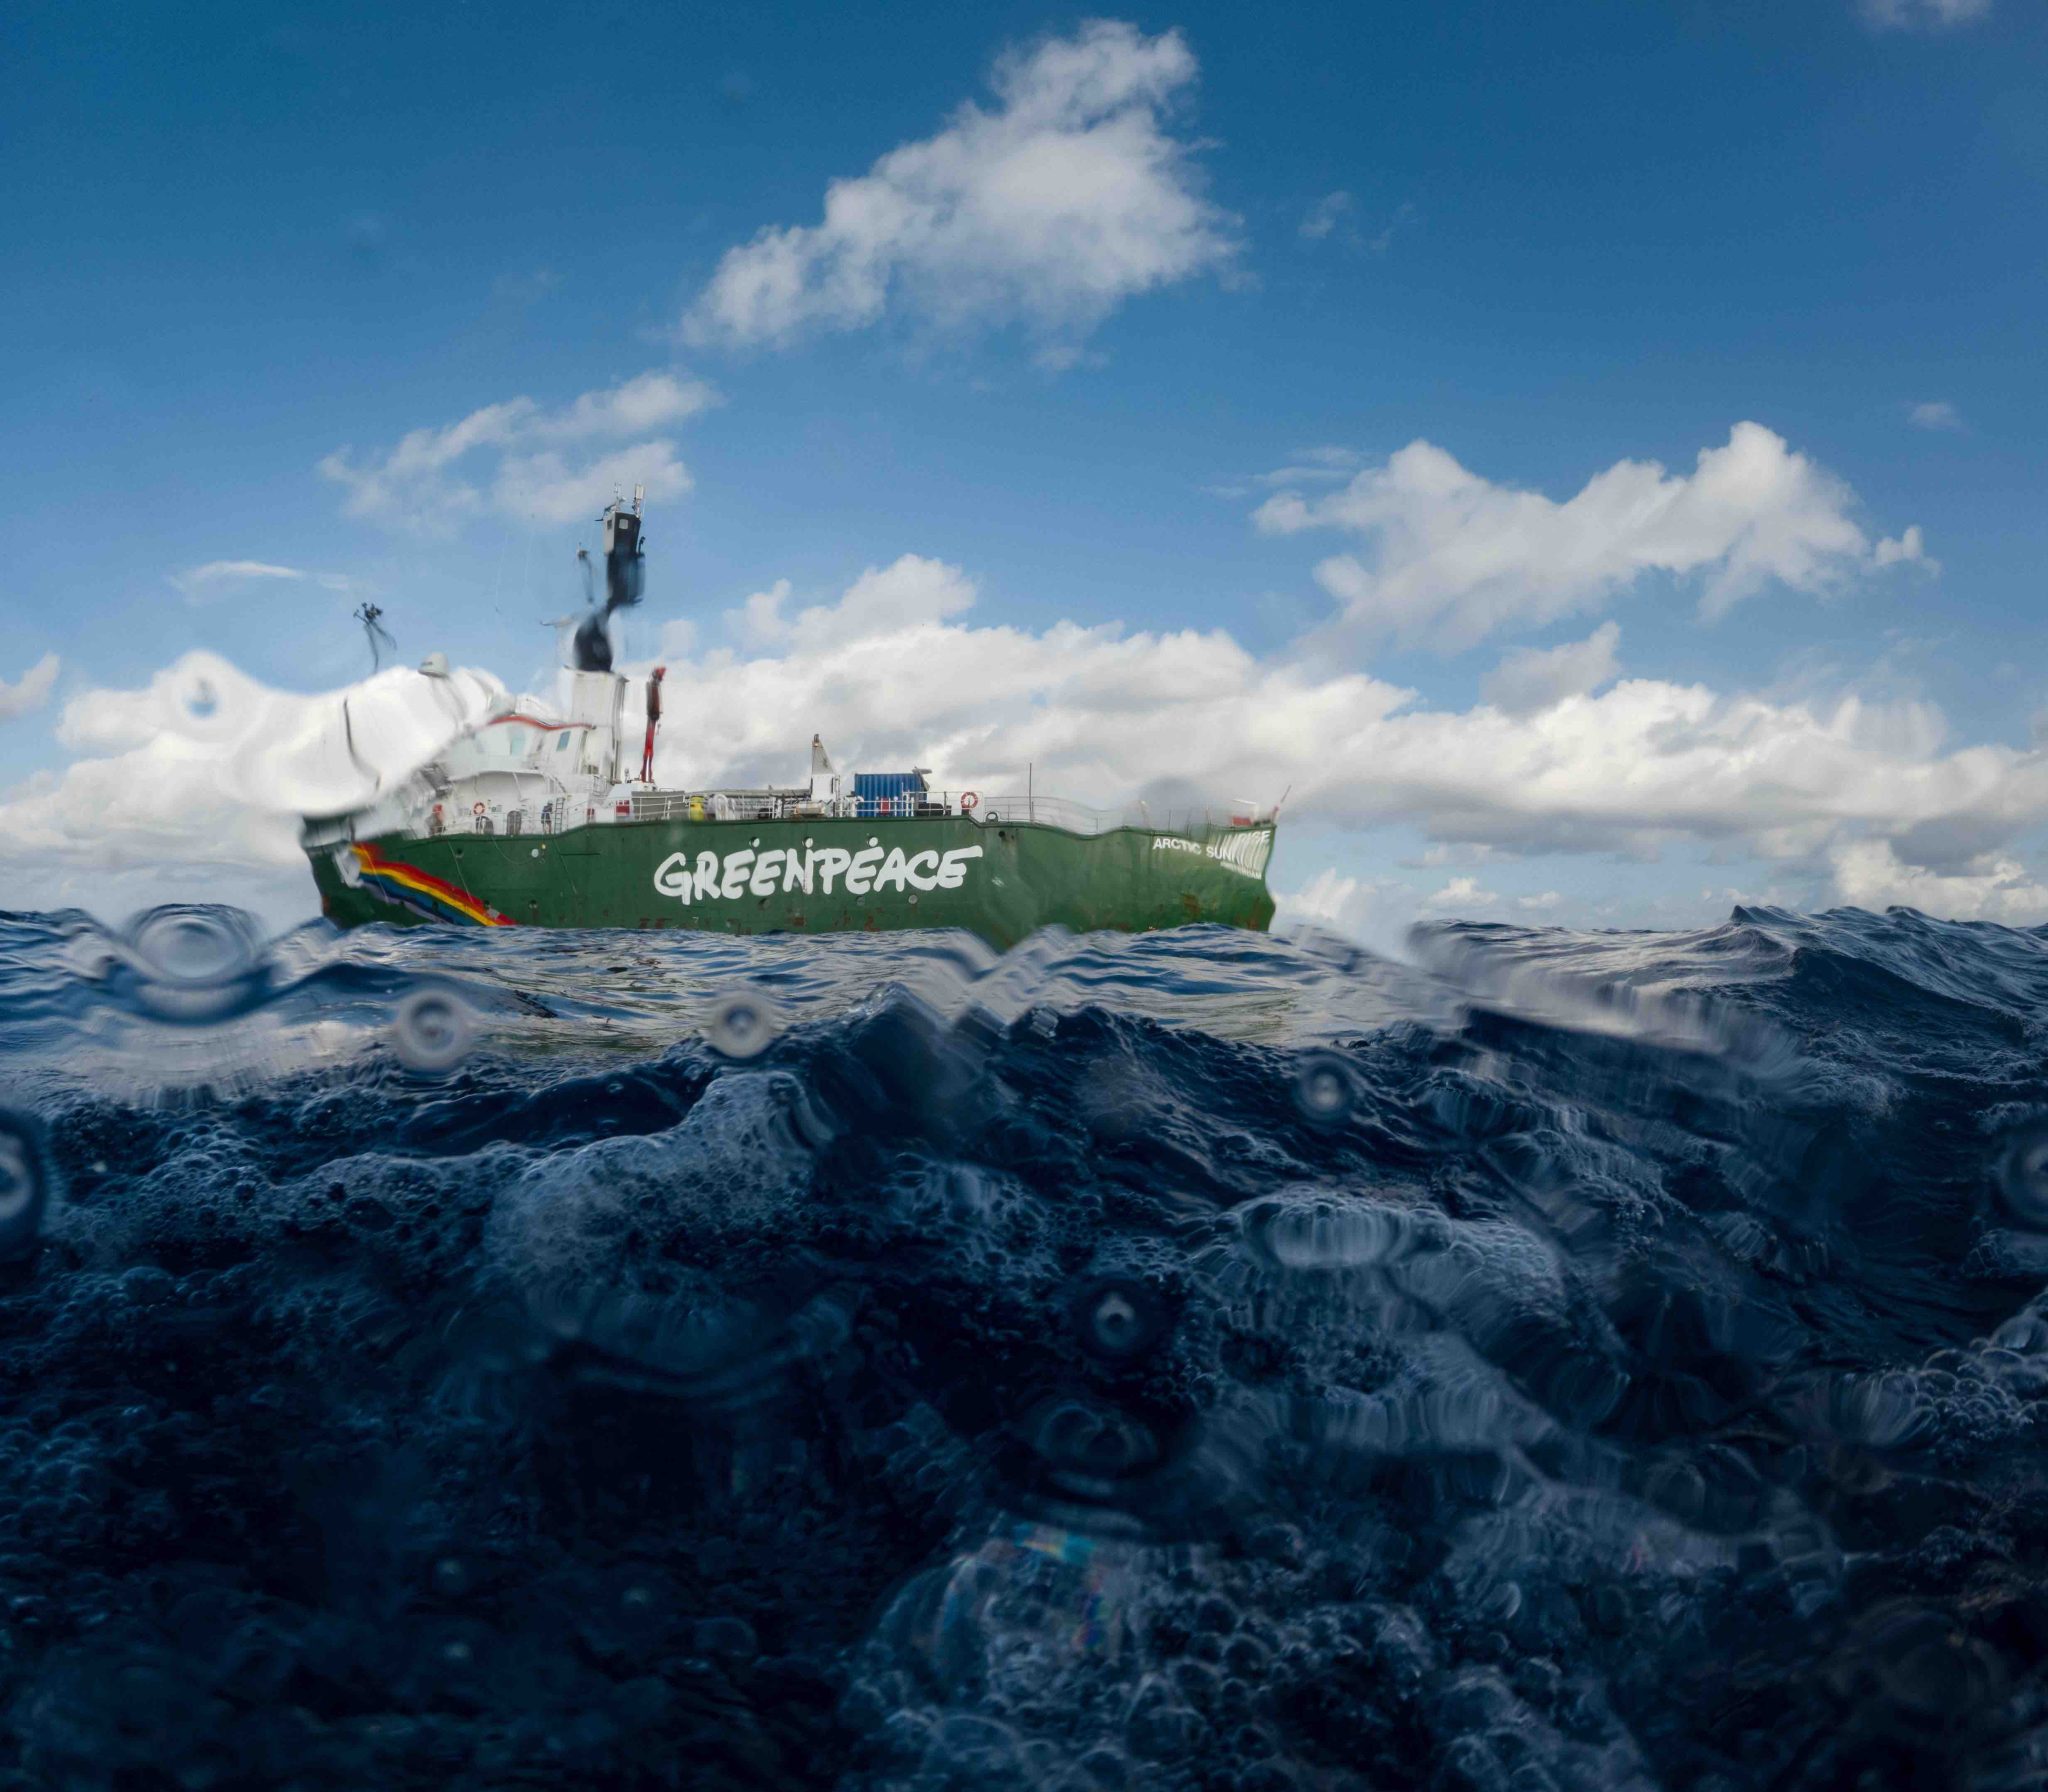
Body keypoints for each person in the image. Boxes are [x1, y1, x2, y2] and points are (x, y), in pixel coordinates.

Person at [641, 665, 666, 783]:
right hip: (652, 716)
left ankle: (646, 772)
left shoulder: (653, 686)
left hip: (653, 717)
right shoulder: (652, 686)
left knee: (649, 747)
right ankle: (645, 773)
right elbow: (653, 704)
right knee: (649, 747)